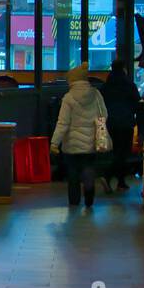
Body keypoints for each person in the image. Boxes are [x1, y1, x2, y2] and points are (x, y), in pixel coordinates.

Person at [51, 63, 109, 209]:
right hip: (92, 141)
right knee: (88, 167)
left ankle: (74, 201)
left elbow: (62, 123)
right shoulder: (96, 94)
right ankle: (89, 197)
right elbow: (104, 115)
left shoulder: (68, 98)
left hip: (72, 143)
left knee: (73, 172)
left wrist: (54, 143)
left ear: (72, 81)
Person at [99, 60, 139, 192]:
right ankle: (108, 175)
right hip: (126, 122)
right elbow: (136, 103)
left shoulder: (106, 85)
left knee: (117, 151)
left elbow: (101, 103)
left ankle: (121, 182)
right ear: (124, 69)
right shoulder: (129, 84)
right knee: (124, 153)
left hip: (111, 122)